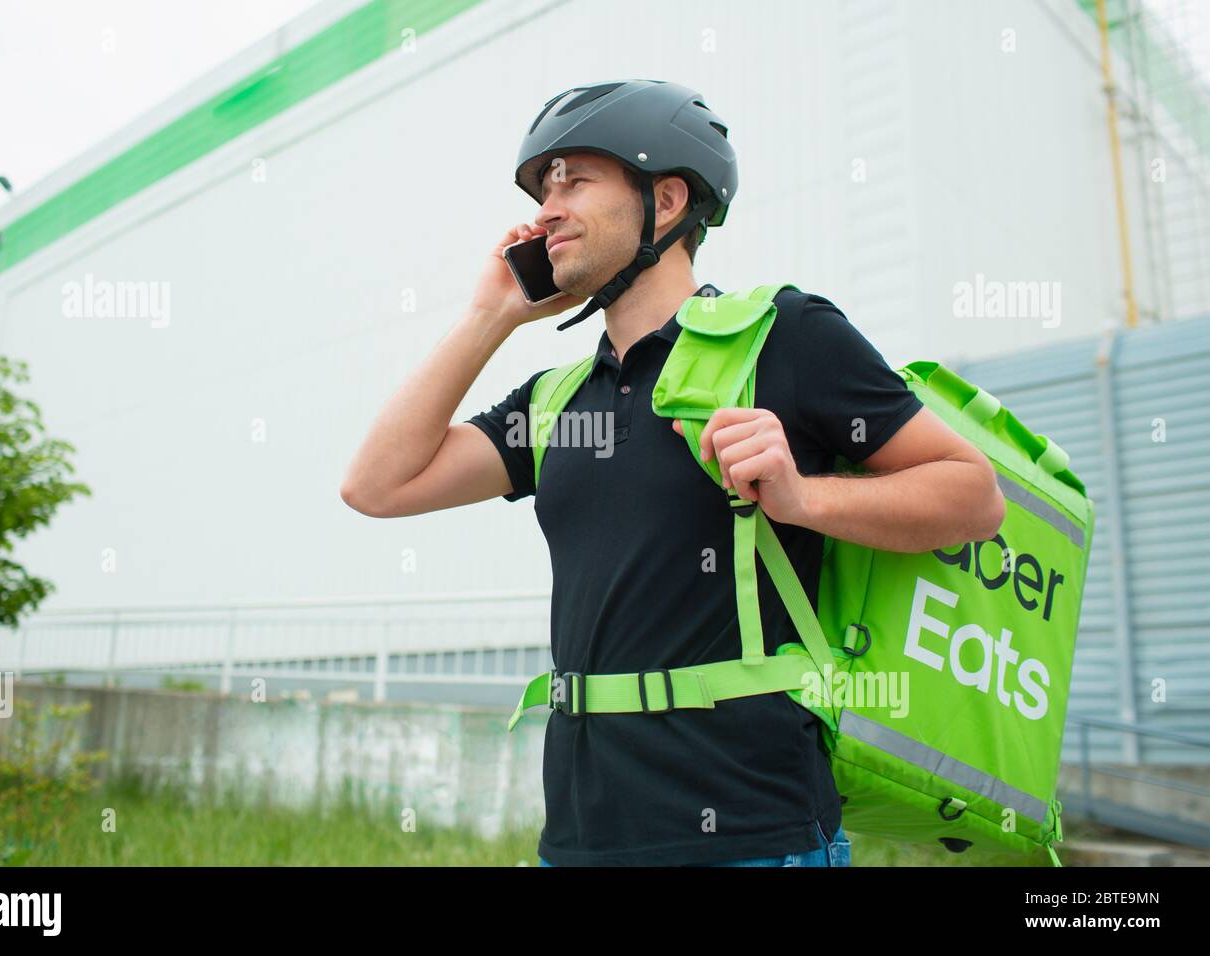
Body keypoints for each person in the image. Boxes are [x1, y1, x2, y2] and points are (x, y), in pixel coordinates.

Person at [340, 79, 1005, 867]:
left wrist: (801, 498)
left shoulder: (784, 336)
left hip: (752, 835)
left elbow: (973, 495)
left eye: (576, 179)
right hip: (580, 841)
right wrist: (491, 316)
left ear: (665, 201)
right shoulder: (558, 401)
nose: (547, 207)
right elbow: (376, 485)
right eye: (542, 186)